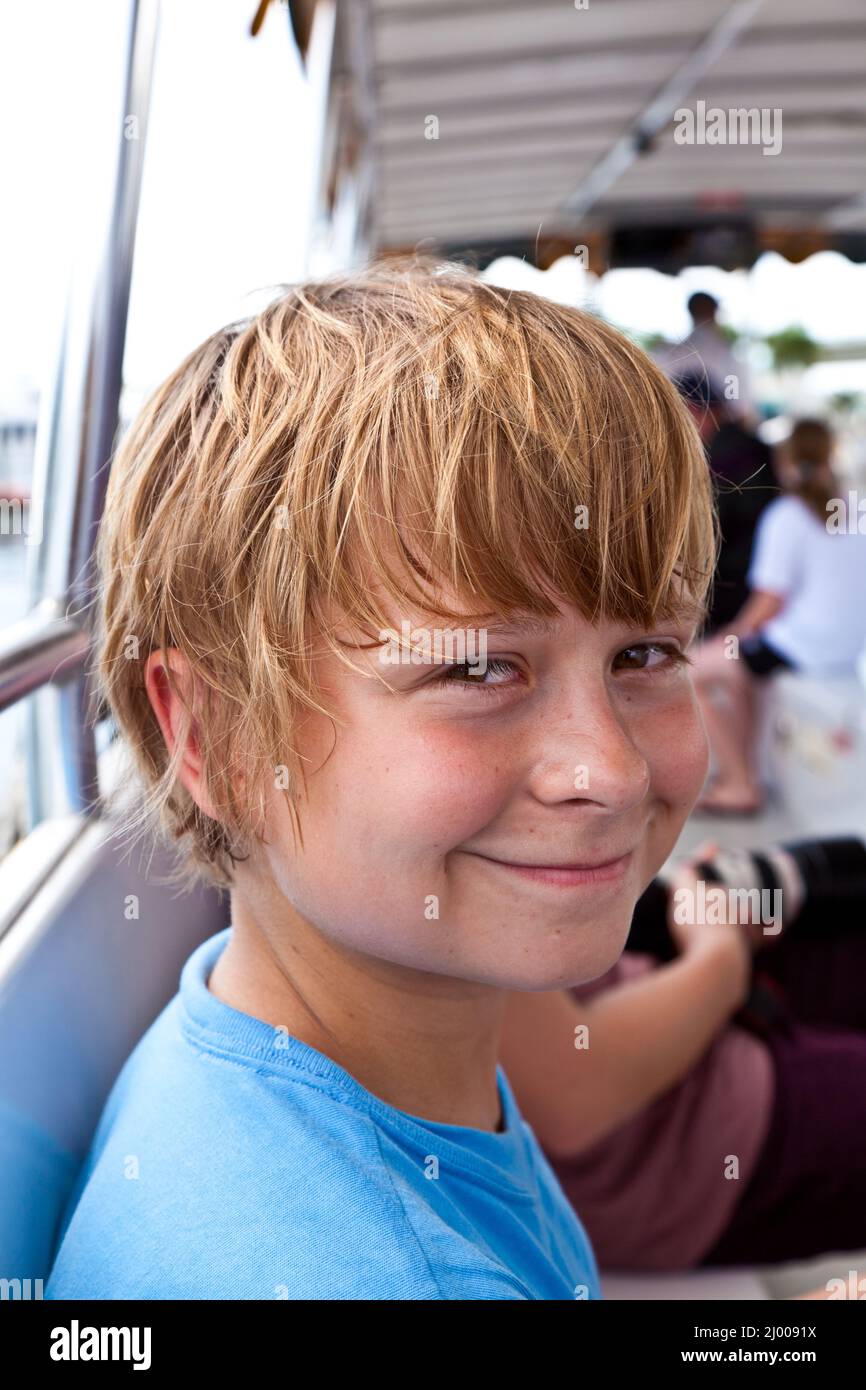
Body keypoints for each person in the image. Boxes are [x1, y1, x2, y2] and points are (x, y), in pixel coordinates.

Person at [42, 260, 835, 1301]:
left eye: (644, 655)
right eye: (476, 668)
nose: (608, 769)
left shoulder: (280, 1055)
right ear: (215, 737)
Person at [499, 832, 866, 1273]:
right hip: (684, 1143)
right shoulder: (431, 903)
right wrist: (719, 947)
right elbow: (573, 1094)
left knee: (843, 876)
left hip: (671, 973)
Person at [690, 417, 866, 815]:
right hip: (847, 649)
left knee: (692, 674)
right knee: (738, 675)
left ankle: (738, 783)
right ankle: (748, 773)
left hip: (801, 646)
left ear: (785, 461)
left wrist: (729, 635)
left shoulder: (786, 514)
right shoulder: (855, 507)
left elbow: (768, 603)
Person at [675, 370, 778, 635]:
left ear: (697, 411)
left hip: (735, 583)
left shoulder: (725, 453)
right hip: (754, 576)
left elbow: (714, 523)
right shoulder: (750, 444)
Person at [659, 290, 756, 426]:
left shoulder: (670, 352)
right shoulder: (726, 354)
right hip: (719, 432)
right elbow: (739, 406)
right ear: (715, 312)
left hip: (678, 428)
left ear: (690, 312)